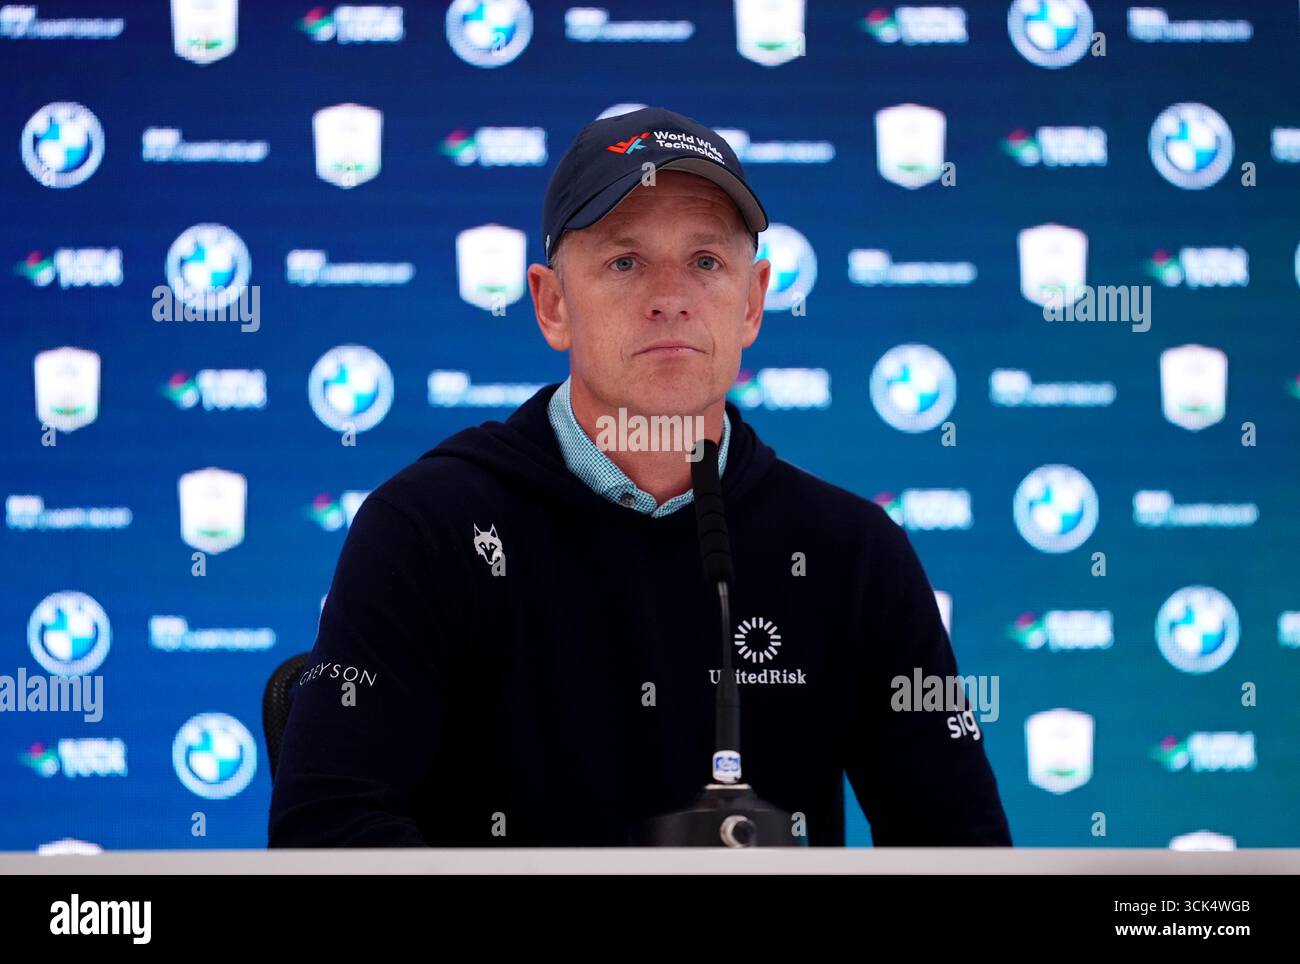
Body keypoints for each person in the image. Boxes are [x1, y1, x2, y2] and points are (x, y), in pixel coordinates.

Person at [268, 107, 1012, 847]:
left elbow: (960, 846)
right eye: (625, 262)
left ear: (752, 302)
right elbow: (326, 834)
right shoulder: (426, 528)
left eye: (706, 262)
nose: (669, 296)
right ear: (553, 304)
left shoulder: (854, 553)